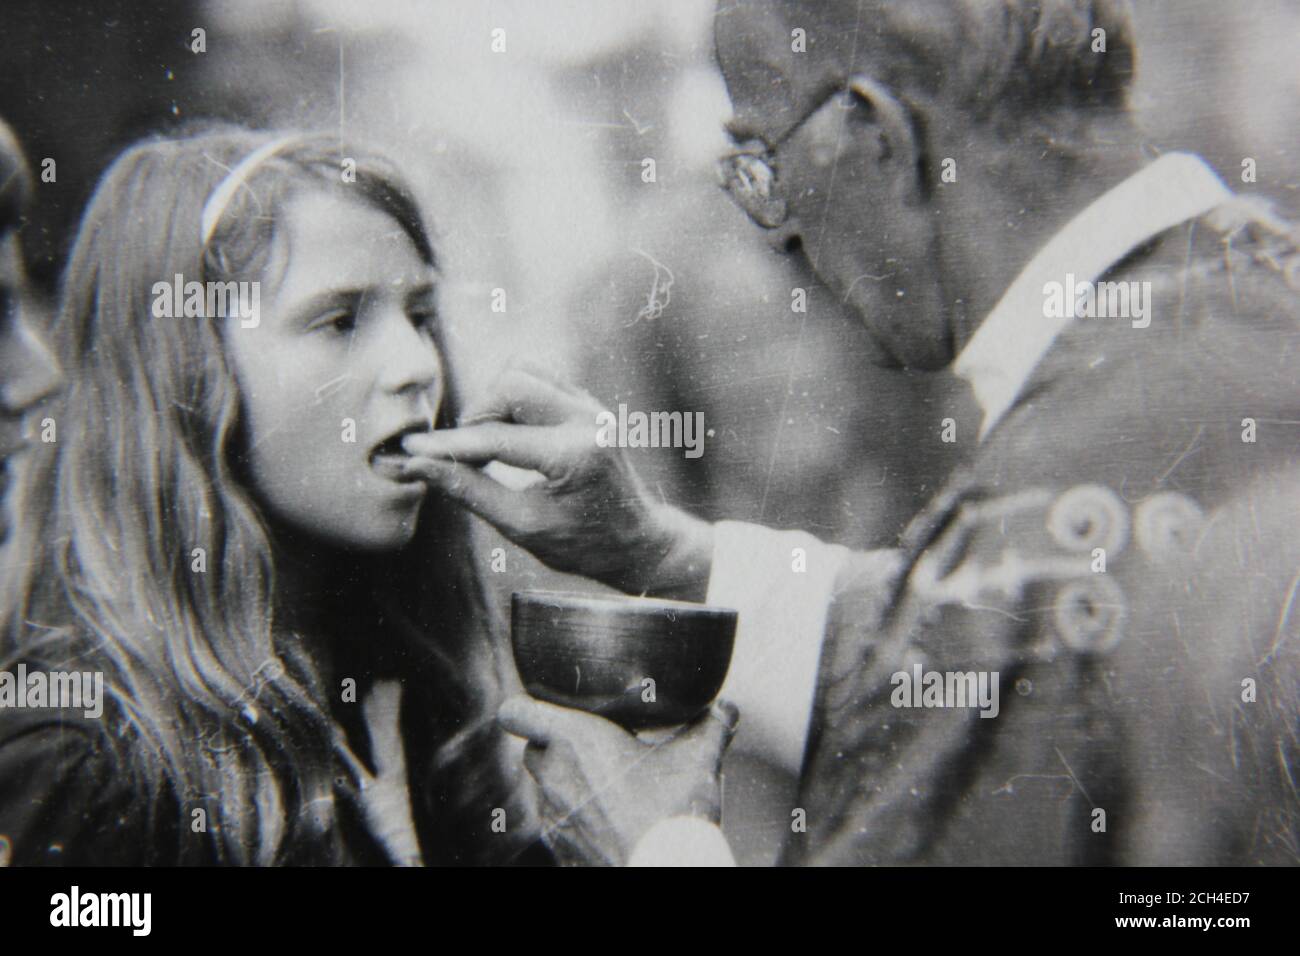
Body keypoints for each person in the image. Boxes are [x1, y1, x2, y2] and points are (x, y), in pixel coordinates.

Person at [402, 0, 1299, 865]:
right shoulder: (1248, 292)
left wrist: (654, 845)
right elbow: (979, 630)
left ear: (875, 136)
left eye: (762, 159)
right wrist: (659, 552)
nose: (781, 229)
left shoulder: (1049, 495)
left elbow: (1004, 625)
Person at [0, 125, 534, 866]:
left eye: (419, 315)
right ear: (190, 376)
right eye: (340, 320)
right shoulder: (86, 758)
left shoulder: (393, 681)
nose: (419, 365)